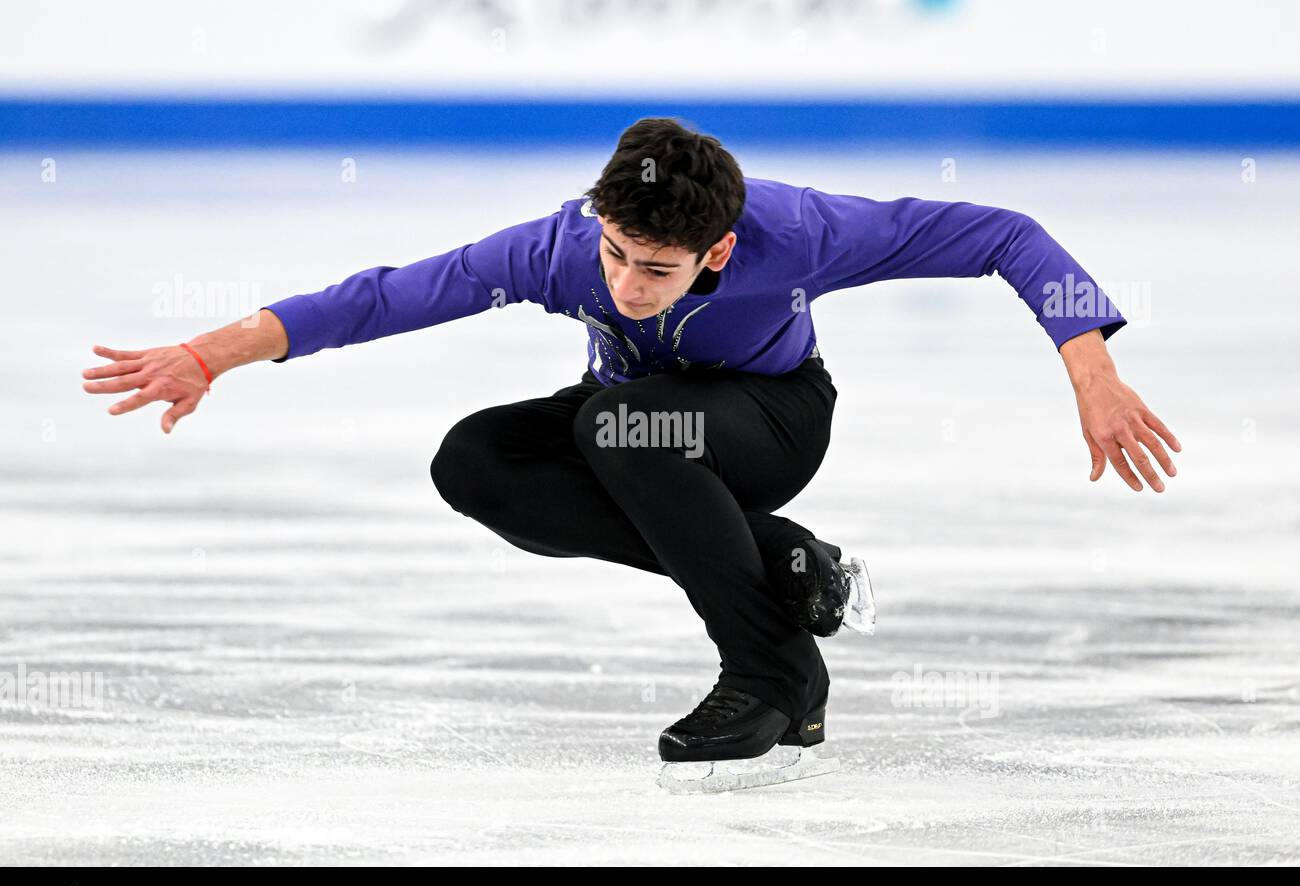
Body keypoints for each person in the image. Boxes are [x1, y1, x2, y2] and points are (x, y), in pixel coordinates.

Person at [82, 117, 1180, 770]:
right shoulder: (562, 247)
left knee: (618, 419)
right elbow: (384, 296)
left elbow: (1005, 233)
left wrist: (1092, 368)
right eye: (613, 255)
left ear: (720, 250)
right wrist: (211, 351)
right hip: (639, 429)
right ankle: (786, 563)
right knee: (474, 460)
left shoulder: (803, 231)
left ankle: (771, 669)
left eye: (654, 269)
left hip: (769, 419)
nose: (622, 283)